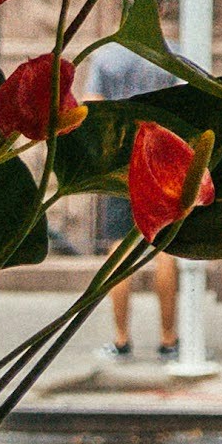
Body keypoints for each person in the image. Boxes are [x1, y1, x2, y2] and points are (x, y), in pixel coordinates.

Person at [77, 21, 183, 358]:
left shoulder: (106, 57)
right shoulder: (174, 54)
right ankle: (168, 339)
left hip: (121, 165)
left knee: (119, 251)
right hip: (162, 163)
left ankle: (121, 339)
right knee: (164, 248)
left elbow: (91, 107)